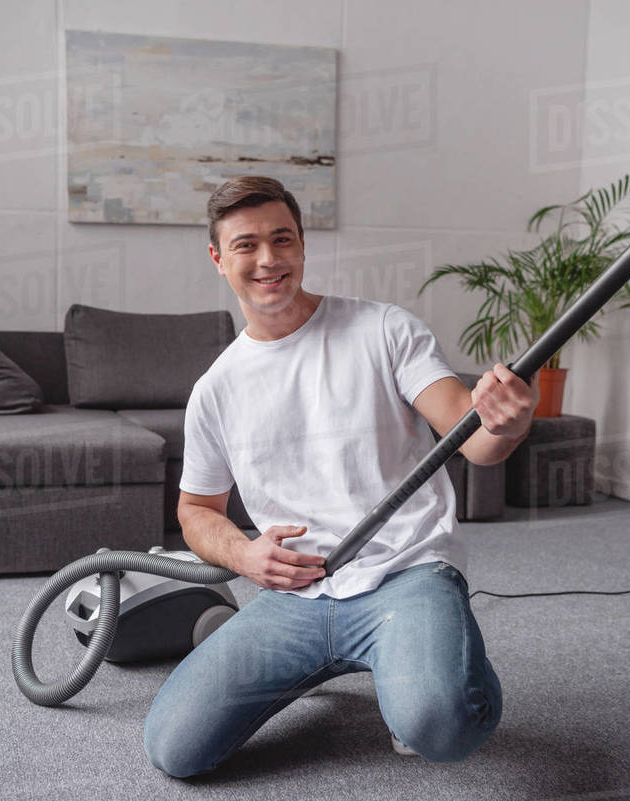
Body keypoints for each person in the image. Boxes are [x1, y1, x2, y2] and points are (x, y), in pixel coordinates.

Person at [142, 176, 536, 778]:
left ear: (302, 245)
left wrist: (508, 424)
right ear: (218, 259)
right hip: (294, 598)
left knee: (440, 723)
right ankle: (341, 667)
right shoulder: (215, 390)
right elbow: (195, 510)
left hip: (404, 575)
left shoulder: (384, 330)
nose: (268, 259)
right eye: (247, 245)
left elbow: (474, 440)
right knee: (174, 748)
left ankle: (434, 678)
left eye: (282, 239)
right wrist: (245, 556)